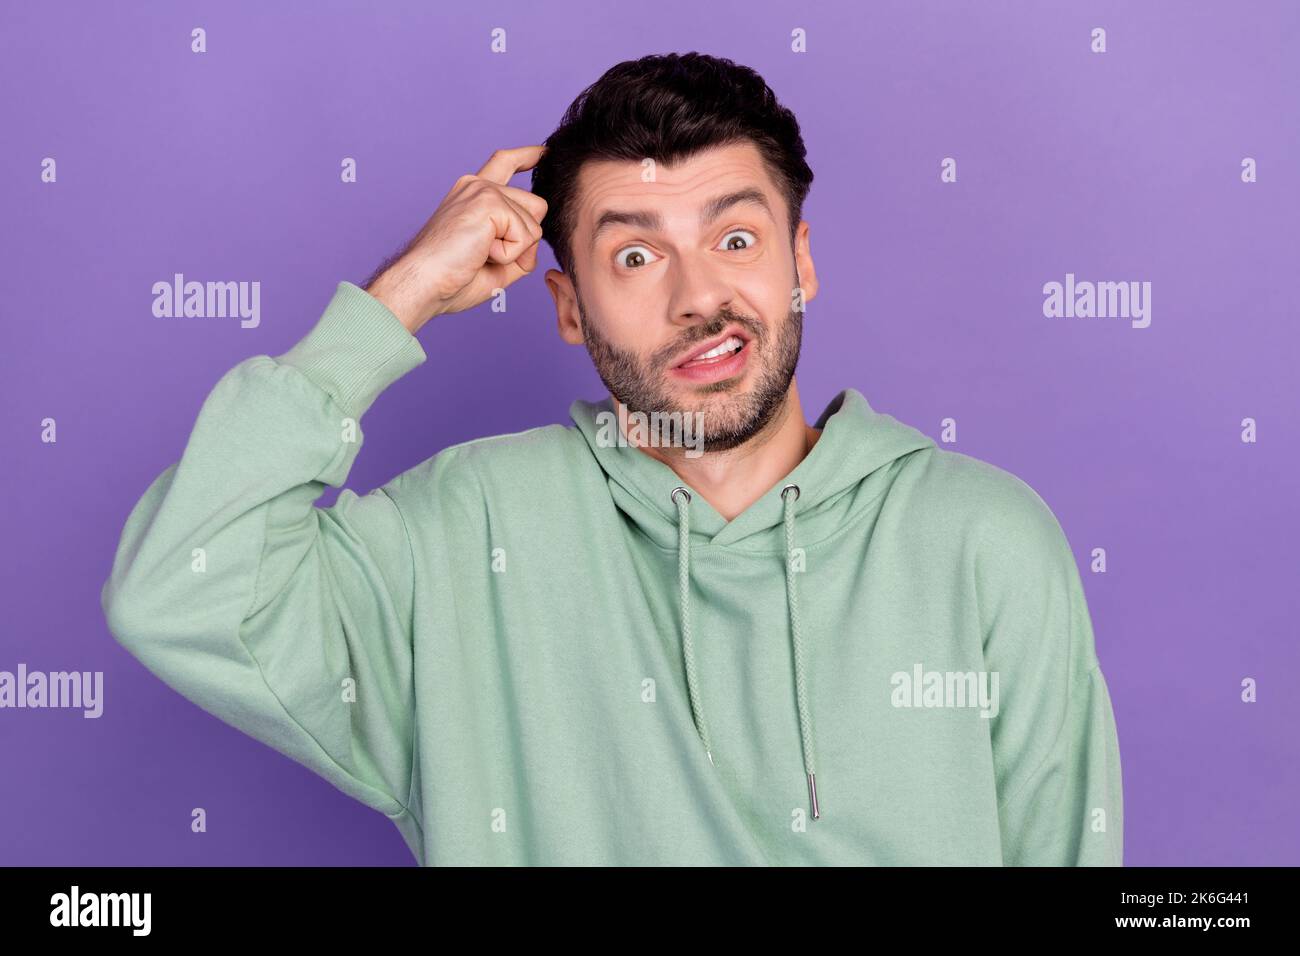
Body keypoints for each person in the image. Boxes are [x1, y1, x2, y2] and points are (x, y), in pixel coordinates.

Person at [101, 52, 1123, 865]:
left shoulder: (982, 537)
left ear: (800, 262)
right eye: (634, 256)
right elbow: (178, 590)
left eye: (735, 239)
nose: (698, 296)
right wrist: (398, 297)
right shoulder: (462, 531)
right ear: (567, 307)